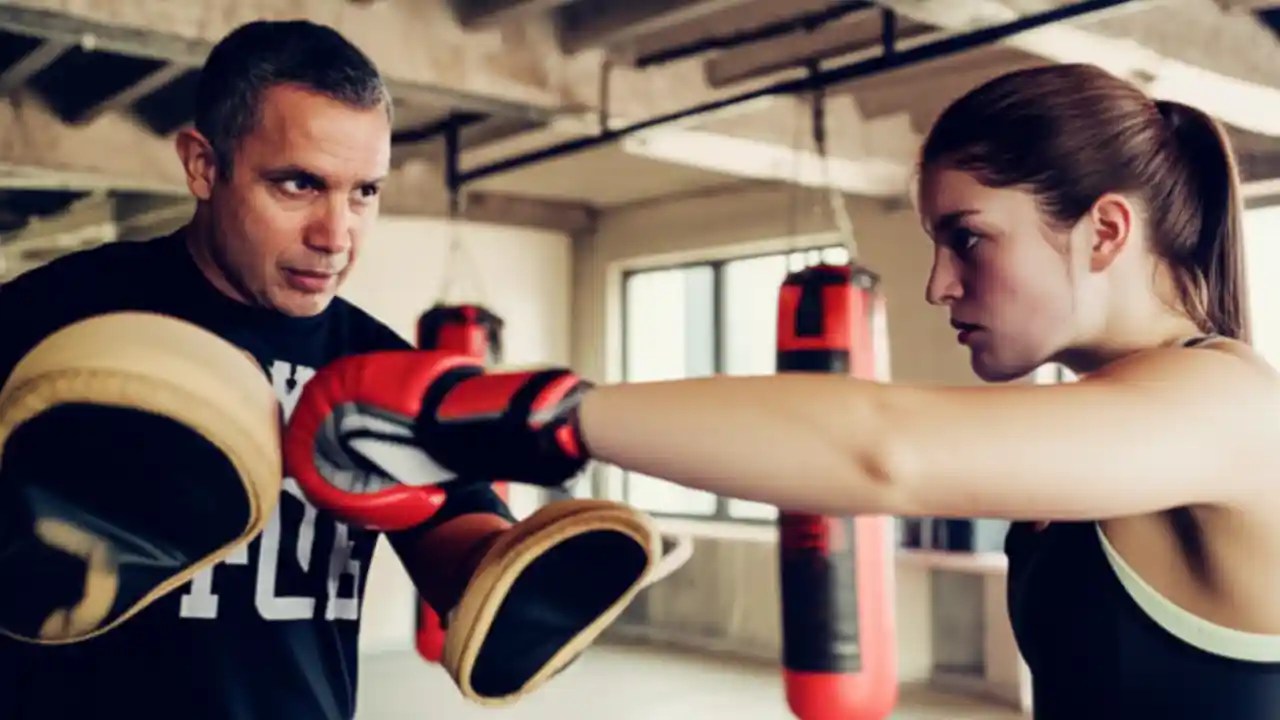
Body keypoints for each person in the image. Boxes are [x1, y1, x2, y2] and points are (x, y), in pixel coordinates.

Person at [546, 64, 1280, 717]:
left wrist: (551, 415)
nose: (938, 284)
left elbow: (883, 451)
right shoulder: (1109, 425)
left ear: (1106, 232)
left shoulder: (1229, 404)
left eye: (966, 238)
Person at [0, 19, 534, 720]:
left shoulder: (383, 370)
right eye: (298, 184)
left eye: (364, 192)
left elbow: (474, 579)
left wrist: (542, 553)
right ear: (203, 165)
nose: (336, 236)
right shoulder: (53, 311)